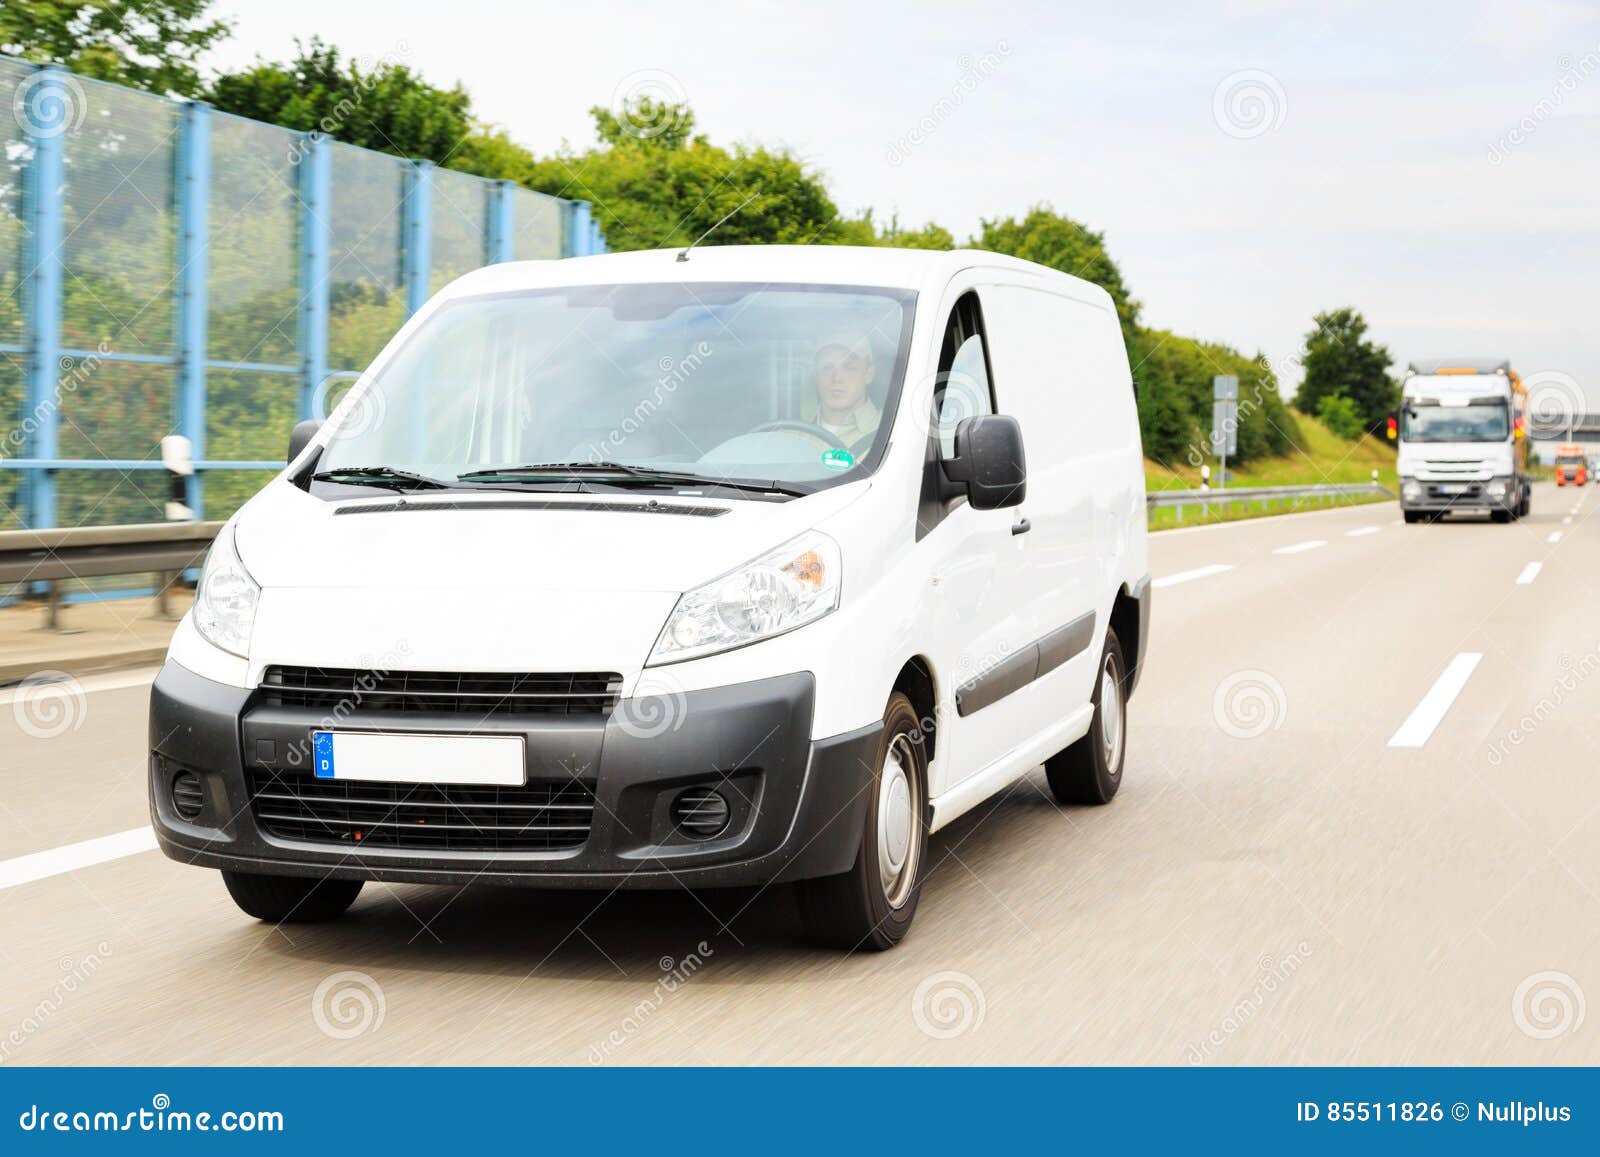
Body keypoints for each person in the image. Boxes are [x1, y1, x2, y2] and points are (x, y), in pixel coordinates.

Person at [804, 334, 880, 449]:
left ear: (868, 374)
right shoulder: (793, 435)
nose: (837, 378)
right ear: (815, 375)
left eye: (849, 367)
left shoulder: (893, 431)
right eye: (827, 367)